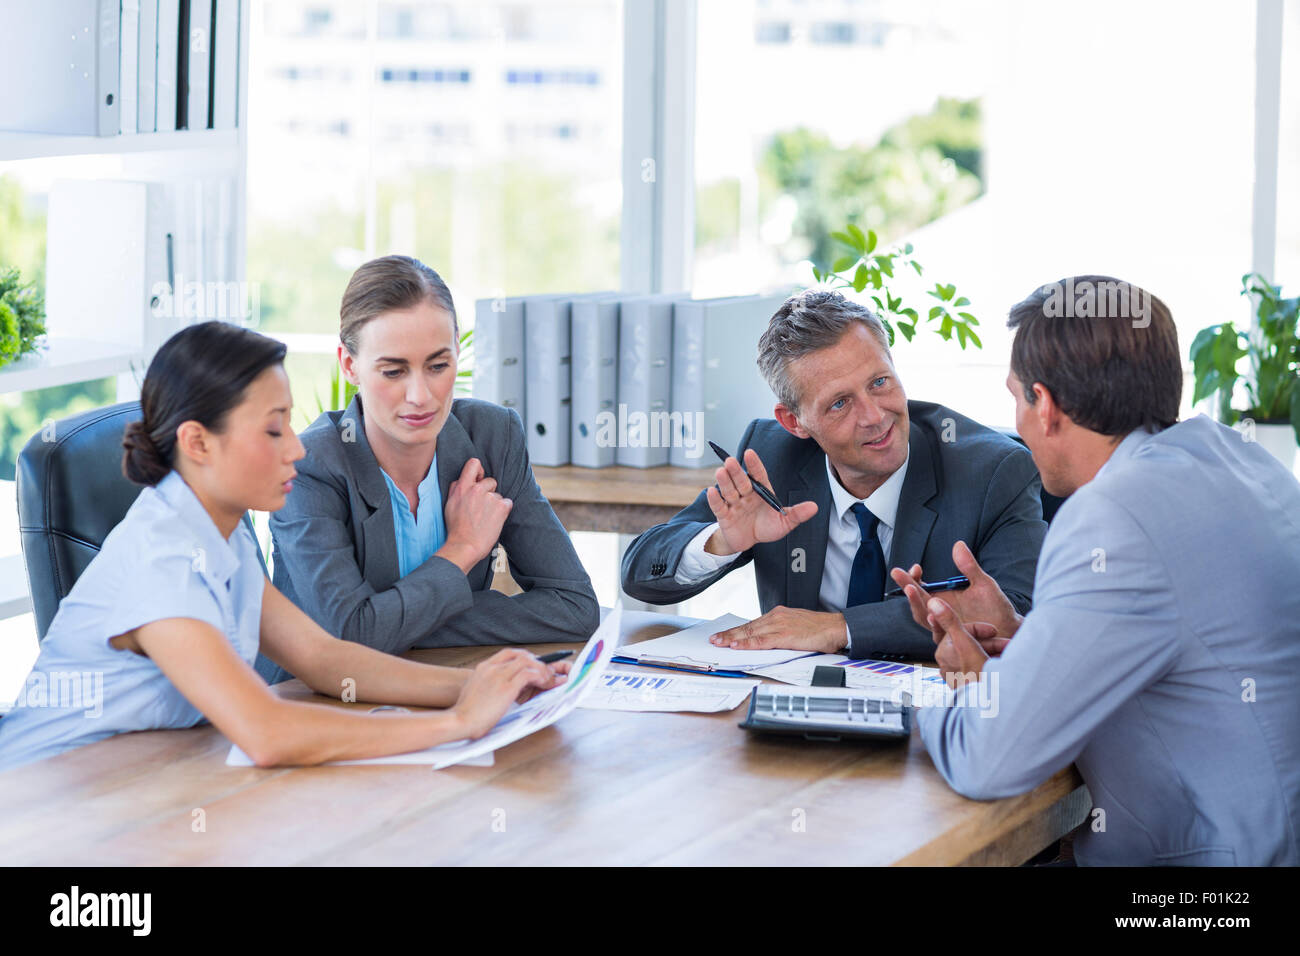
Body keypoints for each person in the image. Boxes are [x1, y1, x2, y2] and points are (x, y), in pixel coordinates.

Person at [0, 321, 568, 773]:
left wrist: (483, 685)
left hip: (140, 785)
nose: (296, 448)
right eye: (273, 430)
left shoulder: (214, 532)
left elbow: (324, 659)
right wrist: (457, 724)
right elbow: (266, 732)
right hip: (42, 806)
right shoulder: (164, 558)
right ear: (197, 442)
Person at [892, 276, 1300, 866]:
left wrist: (934, 696)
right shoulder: (1243, 460)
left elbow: (986, 760)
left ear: (1046, 405)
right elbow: (1181, 648)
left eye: (1016, 398)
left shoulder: (1115, 515)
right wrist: (1027, 642)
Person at [620, 289, 1047, 659]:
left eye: (879, 382)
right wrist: (724, 541)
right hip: (794, 704)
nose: (874, 416)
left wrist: (839, 628)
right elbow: (640, 573)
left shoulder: (993, 472)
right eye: (840, 403)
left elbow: (1016, 614)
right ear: (794, 422)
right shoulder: (772, 457)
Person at [265, 256, 599, 680]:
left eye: (438, 366)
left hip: (446, 685)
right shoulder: (311, 467)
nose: (420, 396)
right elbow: (350, 636)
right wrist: (461, 548)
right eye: (393, 371)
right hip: (314, 701)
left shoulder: (492, 437)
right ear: (349, 366)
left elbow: (574, 606)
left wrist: (391, 622)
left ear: (457, 350)